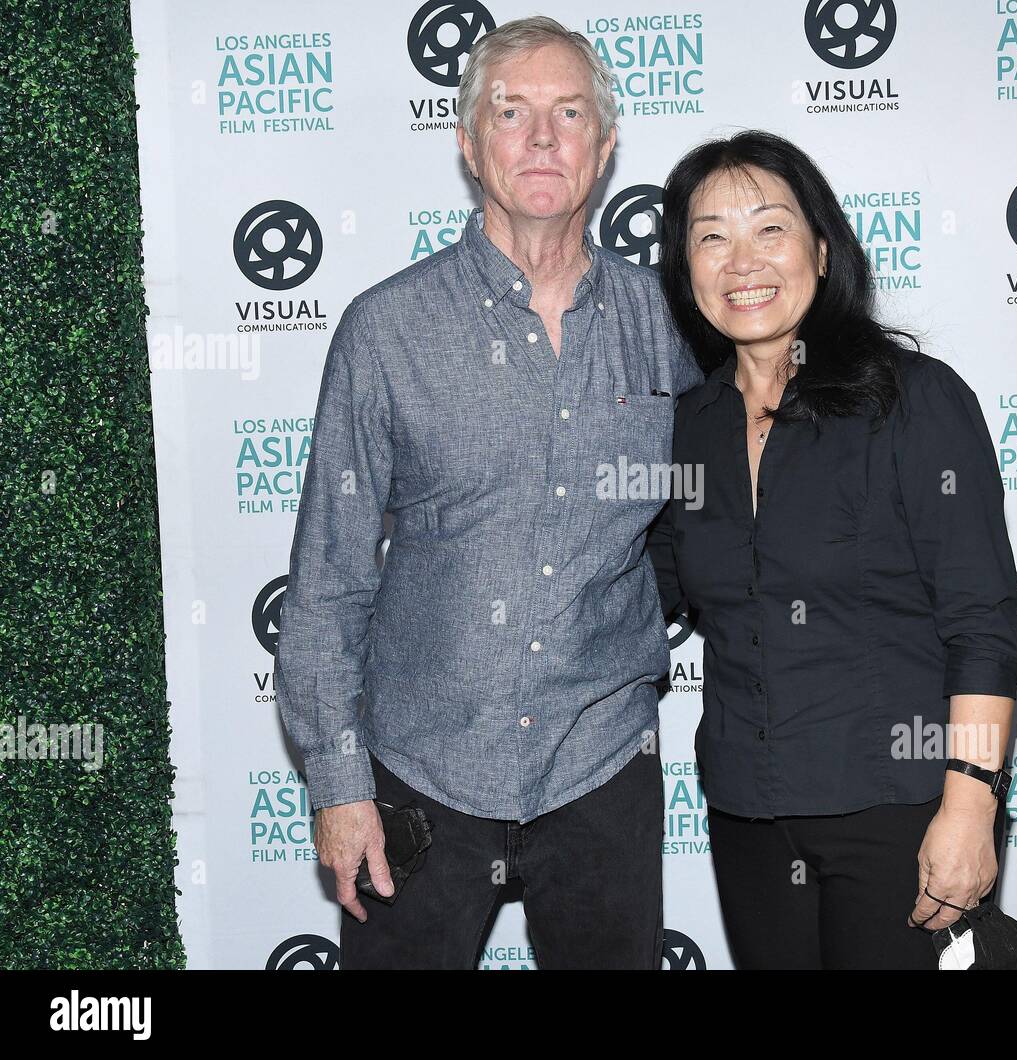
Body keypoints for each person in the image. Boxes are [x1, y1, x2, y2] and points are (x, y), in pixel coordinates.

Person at [274, 16, 702, 970]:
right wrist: (340, 788)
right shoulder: (384, 331)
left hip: (601, 765)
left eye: (569, 111)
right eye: (512, 112)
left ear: (605, 142)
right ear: (469, 145)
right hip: (418, 772)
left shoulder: (671, 324)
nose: (542, 137)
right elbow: (329, 575)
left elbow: (729, 499)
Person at [647, 130, 1017, 969]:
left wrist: (969, 811)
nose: (742, 260)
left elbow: (984, 628)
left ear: (822, 250)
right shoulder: (688, 428)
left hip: (901, 809)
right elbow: (644, 592)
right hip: (749, 815)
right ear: (686, 273)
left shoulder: (913, 400)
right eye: (710, 236)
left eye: (770, 229)